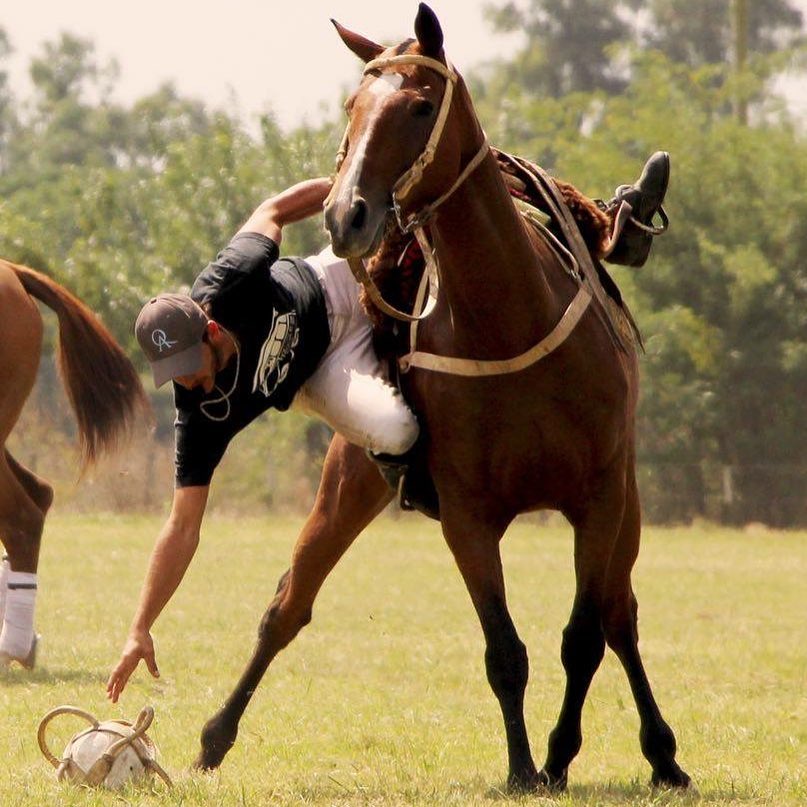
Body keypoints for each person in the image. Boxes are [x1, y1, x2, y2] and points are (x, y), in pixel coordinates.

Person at [106, 155, 669, 701]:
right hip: (324, 369)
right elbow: (182, 527)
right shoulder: (200, 415)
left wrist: (344, 188)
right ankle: (444, 483)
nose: (187, 384)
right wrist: (139, 626)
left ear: (208, 328)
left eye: (189, 366)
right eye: (173, 376)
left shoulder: (229, 279)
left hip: (330, 283)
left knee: (434, 210)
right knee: (396, 432)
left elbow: (274, 208)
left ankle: (603, 228)